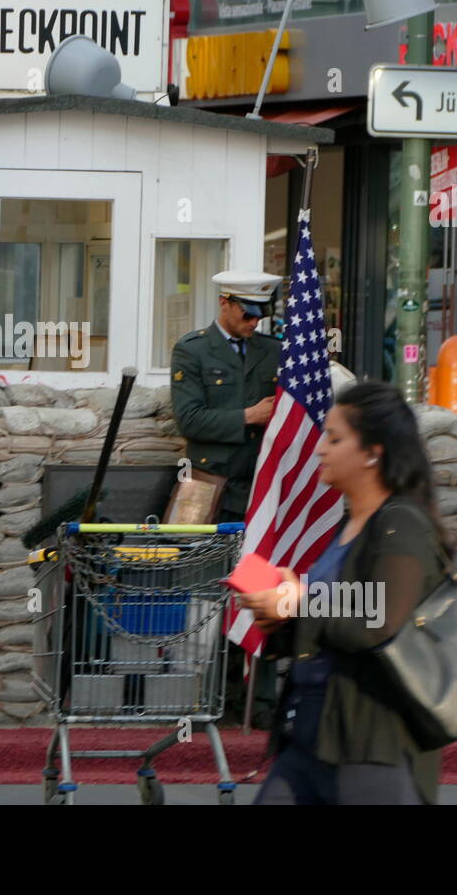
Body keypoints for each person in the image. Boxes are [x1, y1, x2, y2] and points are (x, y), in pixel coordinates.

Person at [239, 381, 457, 805]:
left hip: (371, 744)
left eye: (335, 438)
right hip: (309, 733)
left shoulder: (403, 523)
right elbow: (334, 617)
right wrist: (280, 616)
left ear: (372, 452)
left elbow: (380, 620)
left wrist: (299, 600)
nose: (321, 448)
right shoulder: (348, 526)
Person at [171, 270, 281, 726]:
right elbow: (190, 420)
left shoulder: (273, 352)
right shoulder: (193, 350)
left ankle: (259, 702)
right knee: (208, 596)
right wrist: (248, 416)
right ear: (224, 302)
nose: (254, 322)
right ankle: (208, 698)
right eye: (246, 312)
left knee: (264, 595)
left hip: (260, 492)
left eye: (261, 314)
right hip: (212, 491)